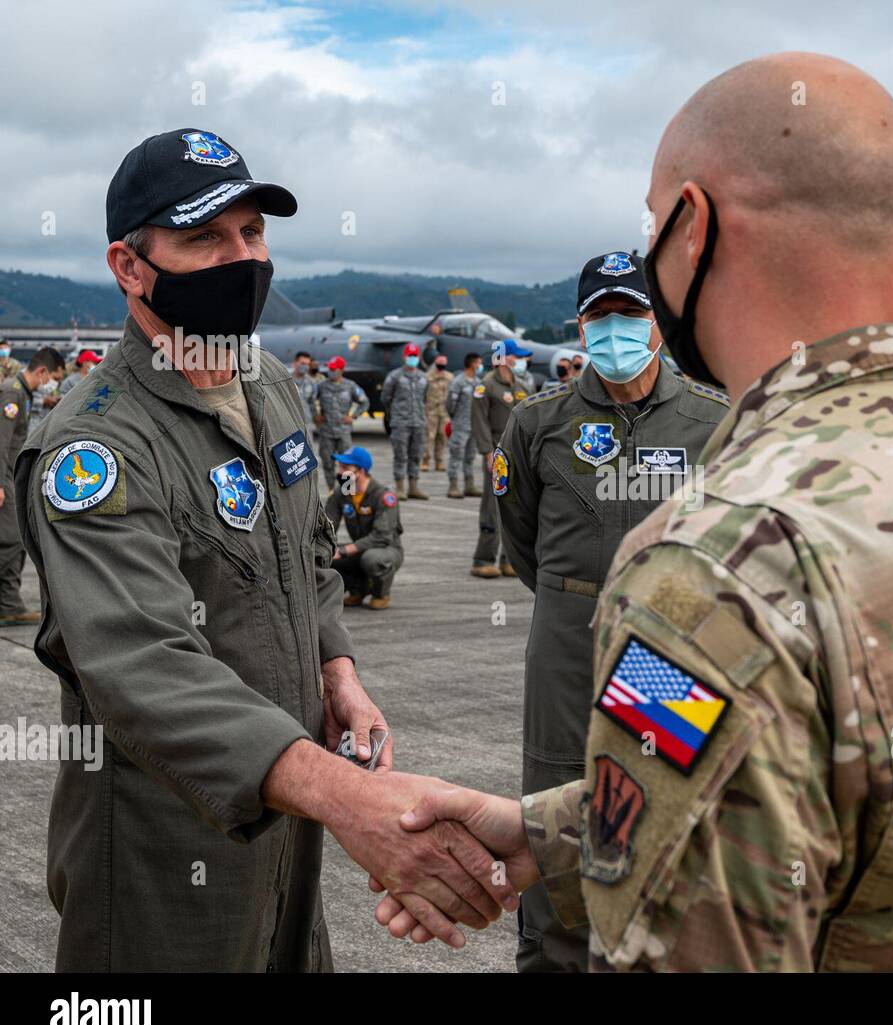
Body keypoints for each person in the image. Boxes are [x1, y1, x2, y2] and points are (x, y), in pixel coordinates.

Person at [374, 53, 893, 972]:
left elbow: (690, 928)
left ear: (692, 228)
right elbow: (870, 789)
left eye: (654, 227)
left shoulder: (711, 557)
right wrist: (546, 832)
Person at [13, 127, 516, 971]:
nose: (240, 258)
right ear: (131, 268)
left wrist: (337, 673)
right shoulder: (96, 450)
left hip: (289, 824)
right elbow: (145, 667)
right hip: (162, 854)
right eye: (204, 238)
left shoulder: (270, 390)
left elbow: (306, 552)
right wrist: (356, 803)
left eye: (251, 233)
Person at [494, 251, 730, 972]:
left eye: (631, 314)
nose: (616, 330)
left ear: (658, 323)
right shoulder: (539, 424)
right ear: (580, 324)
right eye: (601, 316)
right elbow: (521, 539)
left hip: (670, 643)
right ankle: (553, 956)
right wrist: (580, 601)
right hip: (569, 643)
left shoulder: (712, 420)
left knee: (662, 793)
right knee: (556, 797)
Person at [1, 347, 63, 625]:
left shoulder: (21, 392)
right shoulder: (13, 394)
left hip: (9, 475)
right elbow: (1, 442)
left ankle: (8, 602)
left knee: (13, 539)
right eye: (54, 377)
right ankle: (8, 604)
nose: (53, 384)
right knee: (12, 539)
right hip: (4, 477)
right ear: (42, 372)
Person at [469, 348, 530, 577]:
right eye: (517, 356)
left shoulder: (522, 385)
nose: (522, 361)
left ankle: (509, 559)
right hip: (497, 454)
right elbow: (479, 420)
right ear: (504, 358)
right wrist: (486, 452)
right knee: (492, 508)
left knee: (516, 509)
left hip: (519, 456)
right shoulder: (485, 386)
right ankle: (482, 558)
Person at [324, 446, 403, 611]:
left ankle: (380, 593)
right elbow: (327, 525)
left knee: (371, 559)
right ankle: (358, 589)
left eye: (345, 468)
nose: (339, 472)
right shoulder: (344, 492)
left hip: (386, 548)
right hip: (360, 546)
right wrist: (325, 548)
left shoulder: (383, 496)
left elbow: (381, 537)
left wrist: (345, 550)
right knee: (325, 555)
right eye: (339, 467)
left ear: (360, 471)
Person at [381, 343, 429, 501]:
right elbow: (386, 398)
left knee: (416, 455)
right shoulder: (394, 376)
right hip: (400, 423)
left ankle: (413, 487)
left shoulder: (423, 377)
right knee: (400, 455)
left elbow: (424, 399)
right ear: (404, 356)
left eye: (415, 355)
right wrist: (395, 414)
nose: (413, 358)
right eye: (410, 355)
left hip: (419, 422)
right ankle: (400, 487)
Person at [314, 355, 368, 488]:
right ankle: (332, 490)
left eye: (334, 369)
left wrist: (353, 416)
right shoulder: (322, 386)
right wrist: (316, 415)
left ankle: (346, 491)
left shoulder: (350, 386)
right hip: (326, 431)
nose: (330, 371)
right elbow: (309, 401)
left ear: (341, 370)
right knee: (327, 463)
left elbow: (364, 402)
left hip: (343, 432)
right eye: (329, 369)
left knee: (347, 464)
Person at [445, 351, 481, 498]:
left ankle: (469, 485)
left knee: (470, 456)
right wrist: (456, 419)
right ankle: (453, 486)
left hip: (474, 425)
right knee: (456, 455)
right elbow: (450, 404)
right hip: (460, 425)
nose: (480, 366)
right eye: (478, 363)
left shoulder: (478, 383)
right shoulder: (458, 382)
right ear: (472, 364)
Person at [422, 353, 453, 474]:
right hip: (431, 411)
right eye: (440, 362)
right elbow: (422, 395)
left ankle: (439, 461)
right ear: (435, 363)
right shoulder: (427, 377)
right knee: (429, 436)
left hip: (444, 412)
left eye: (444, 362)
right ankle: (425, 461)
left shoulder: (450, 377)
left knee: (442, 436)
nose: (442, 364)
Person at [26, 347, 66, 430]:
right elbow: (25, 403)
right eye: (55, 379)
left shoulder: (49, 384)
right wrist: (43, 401)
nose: (55, 383)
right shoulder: (26, 383)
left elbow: (55, 393)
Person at [290, 350, 317, 429]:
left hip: (306, 424)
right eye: (303, 364)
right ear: (295, 363)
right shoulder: (285, 382)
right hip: (290, 425)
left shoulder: (312, 383)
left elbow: (312, 403)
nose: (305, 366)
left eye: (308, 364)